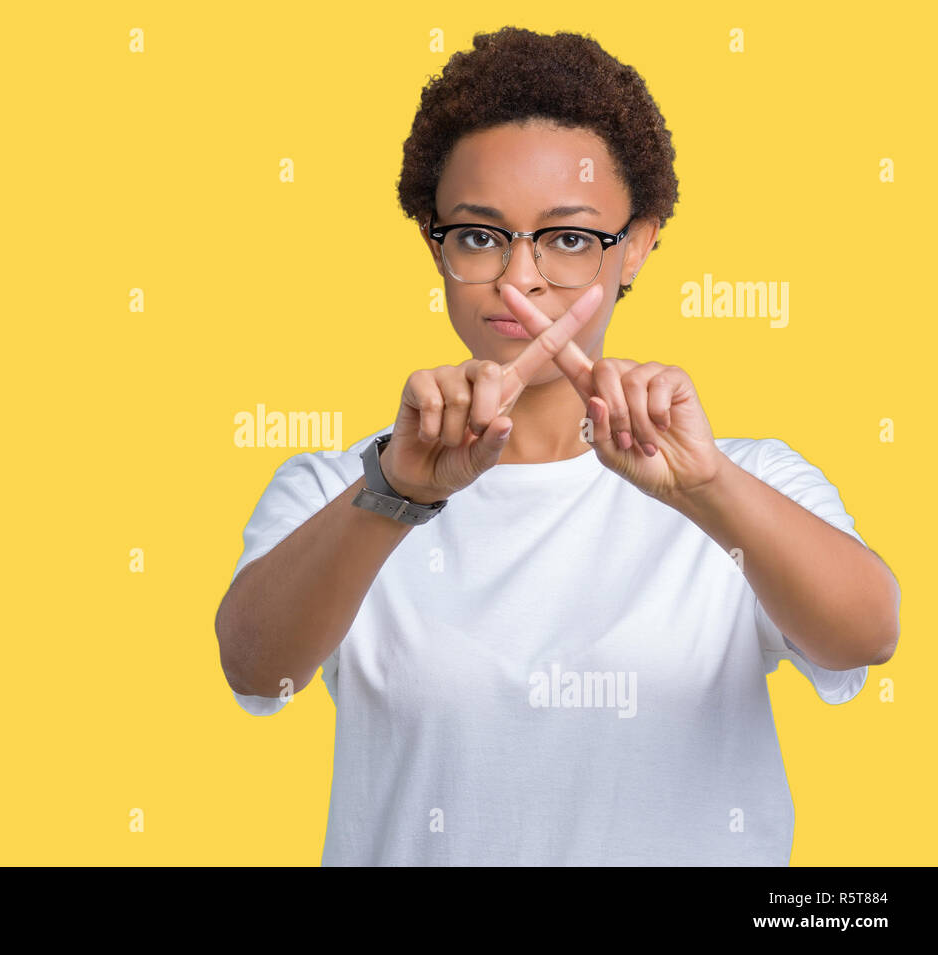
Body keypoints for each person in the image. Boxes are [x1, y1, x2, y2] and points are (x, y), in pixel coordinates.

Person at [213, 26, 900, 866]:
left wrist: (703, 488)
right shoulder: (341, 487)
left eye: (569, 239)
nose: (519, 280)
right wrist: (395, 493)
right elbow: (256, 669)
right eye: (479, 236)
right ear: (436, 245)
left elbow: (867, 635)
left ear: (636, 246)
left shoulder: (745, 478)